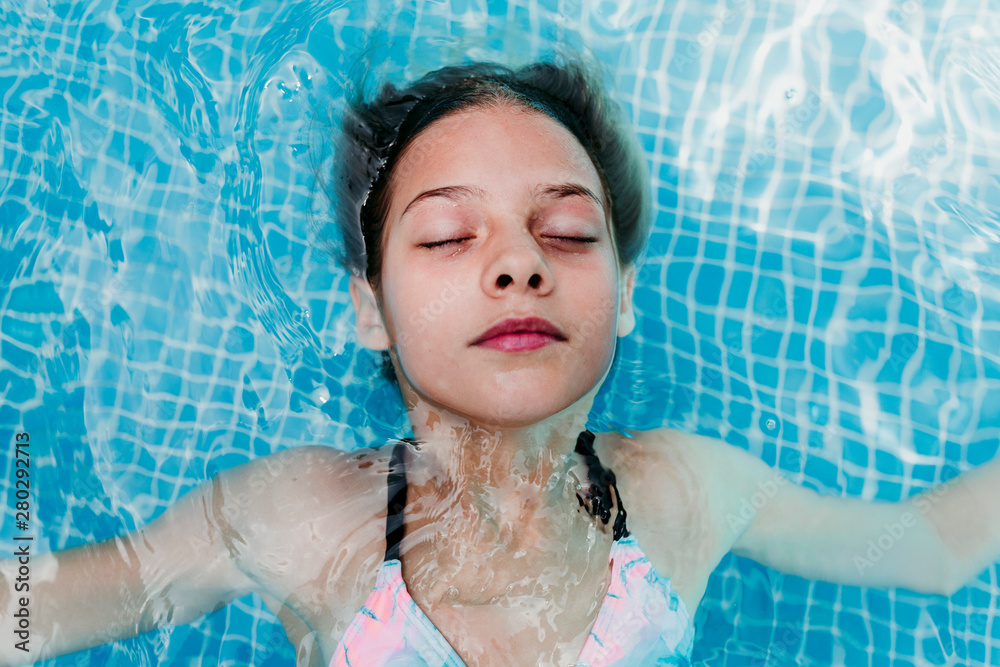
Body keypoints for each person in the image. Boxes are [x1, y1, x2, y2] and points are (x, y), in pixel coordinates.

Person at [2, 56, 999, 667]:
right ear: (369, 312)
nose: (519, 262)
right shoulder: (301, 516)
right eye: (446, 239)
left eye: (565, 231)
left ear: (626, 295)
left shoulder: (685, 492)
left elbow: (930, 548)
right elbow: (33, 613)